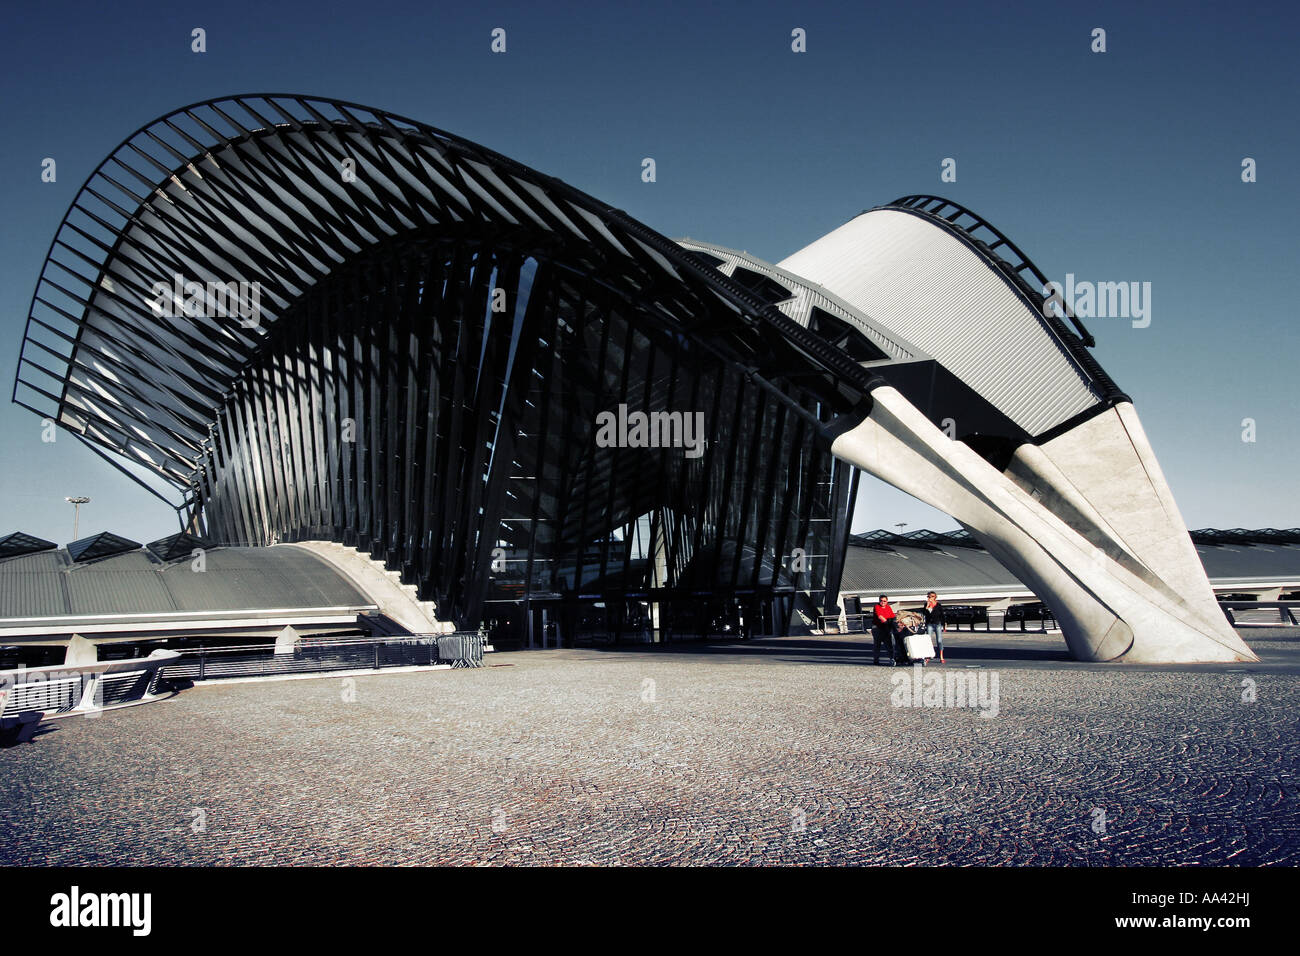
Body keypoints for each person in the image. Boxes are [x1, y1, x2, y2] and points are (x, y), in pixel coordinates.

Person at [872, 595, 898, 666]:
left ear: (887, 601)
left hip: (886, 628)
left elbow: (892, 616)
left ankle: (891, 658)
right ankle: (876, 660)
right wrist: (886, 622)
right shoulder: (877, 607)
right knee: (877, 644)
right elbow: (880, 616)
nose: (882, 602)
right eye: (881, 601)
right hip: (878, 628)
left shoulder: (888, 607)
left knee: (889, 644)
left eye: (884, 601)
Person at [922, 591, 947, 664]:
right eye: (929, 596)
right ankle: (929, 656)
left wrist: (944, 624)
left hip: (937, 624)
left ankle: (941, 656)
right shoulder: (926, 605)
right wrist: (927, 607)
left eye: (932, 596)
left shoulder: (938, 605)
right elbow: (924, 614)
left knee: (939, 640)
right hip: (929, 624)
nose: (930, 598)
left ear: (935, 597)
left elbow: (942, 615)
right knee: (929, 640)